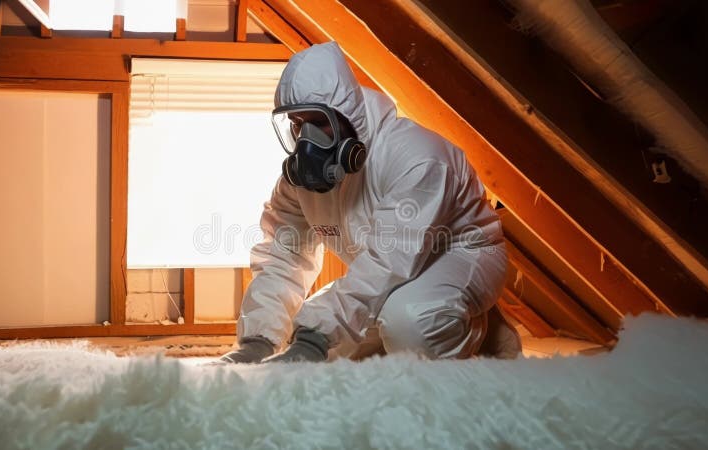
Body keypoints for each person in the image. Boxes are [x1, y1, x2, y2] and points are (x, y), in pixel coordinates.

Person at [220, 41, 521, 364]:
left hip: (462, 253)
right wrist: (257, 342)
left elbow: (386, 261)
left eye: (319, 123)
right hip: (391, 266)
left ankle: (481, 328)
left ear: (347, 115)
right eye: (297, 124)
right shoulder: (299, 183)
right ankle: (431, 309)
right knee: (328, 348)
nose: (307, 140)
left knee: (409, 328)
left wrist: (317, 335)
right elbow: (283, 256)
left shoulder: (416, 157)